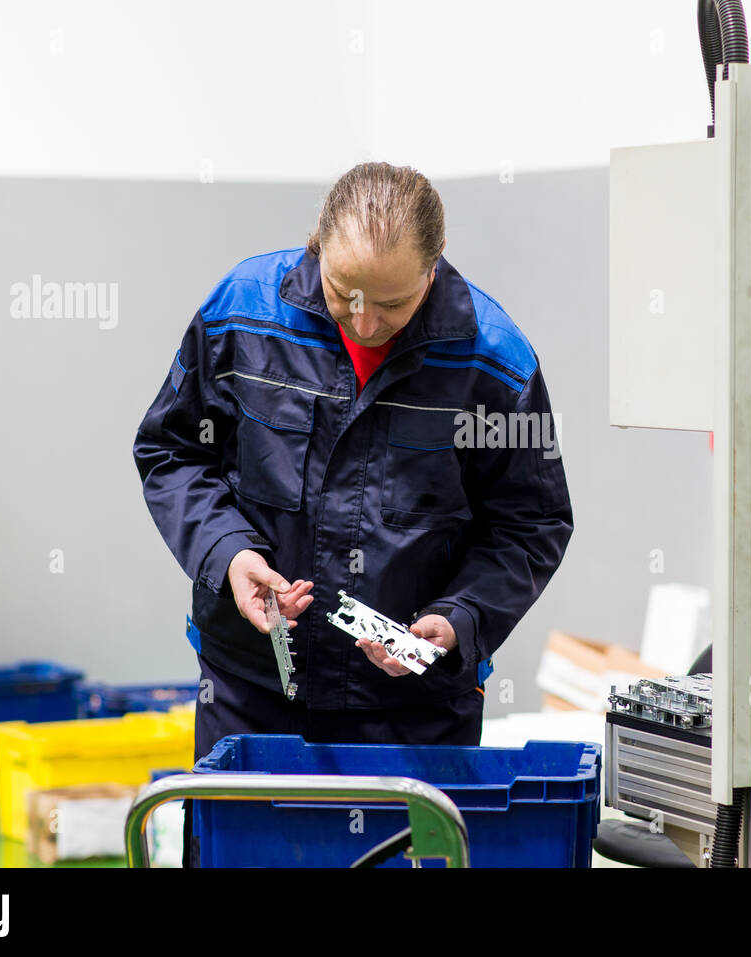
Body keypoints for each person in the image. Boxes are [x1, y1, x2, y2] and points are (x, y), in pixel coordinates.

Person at [132, 162, 573, 844]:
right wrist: (228, 552)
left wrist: (458, 619)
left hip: (410, 715)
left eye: (392, 305)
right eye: (344, 293)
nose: (365, 322)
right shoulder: (242, 314)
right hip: (252, 695)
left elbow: (531, 523)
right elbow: (172, 451)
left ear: (432, 271)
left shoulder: (493, 362)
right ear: (316, 247)